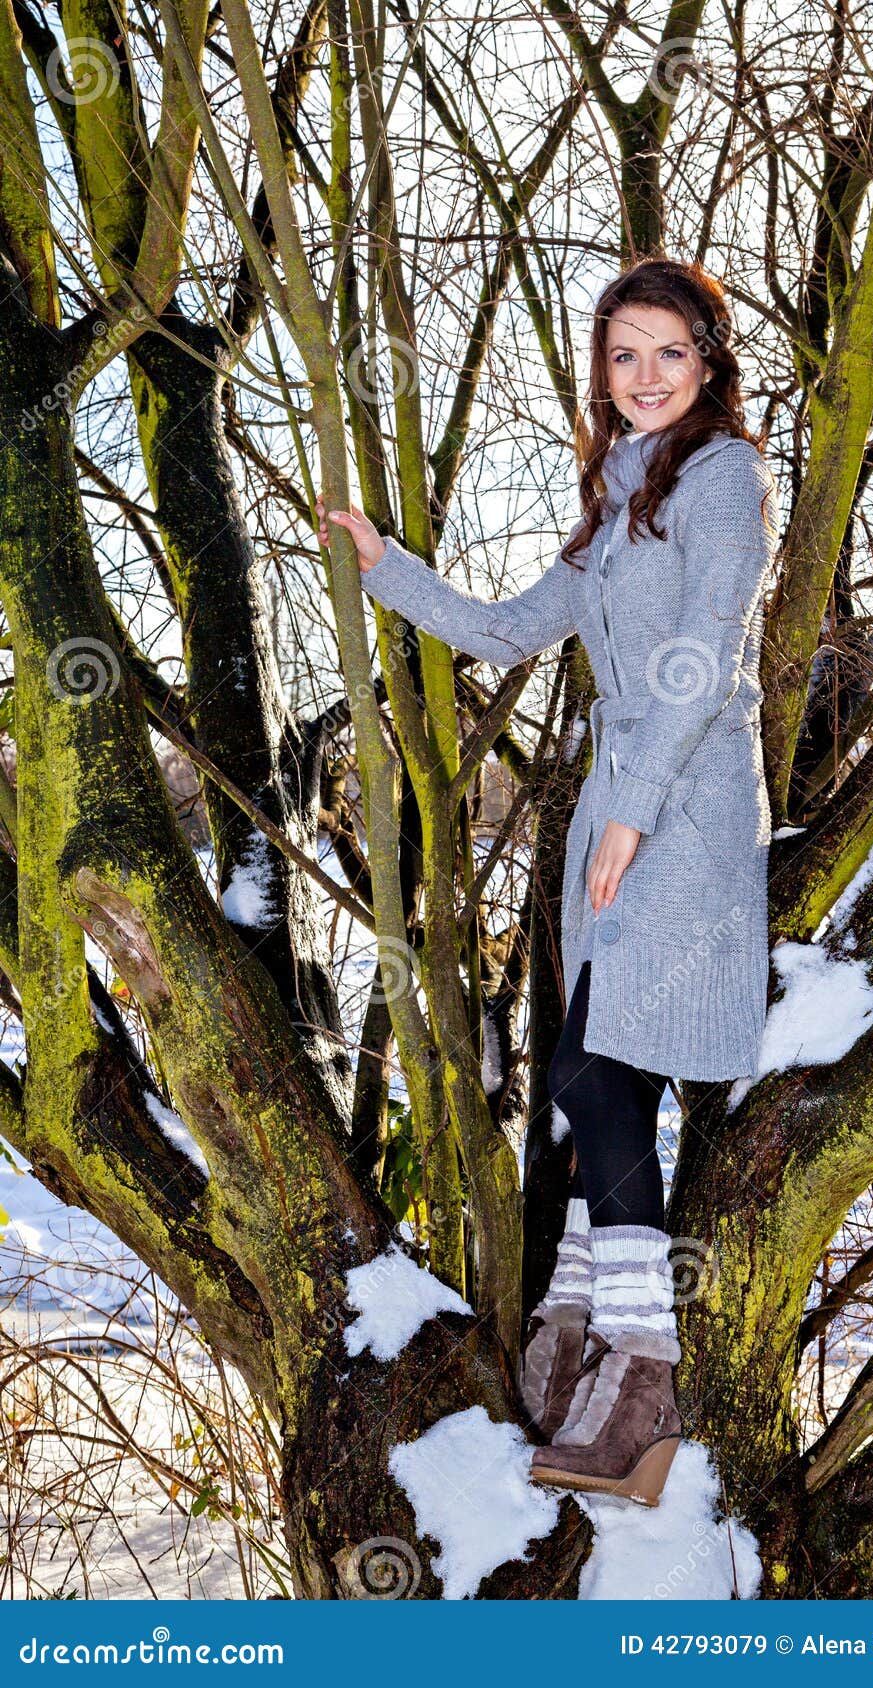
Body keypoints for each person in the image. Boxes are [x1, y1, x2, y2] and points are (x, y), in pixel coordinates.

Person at [316, 255, 780, 1509]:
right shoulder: (612, 495)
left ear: (707, 363)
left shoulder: (725, 478)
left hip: (683, 806)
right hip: (621, 810)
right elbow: (508, 628)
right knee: (594, 1063)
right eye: (621, 356)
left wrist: (625, 818)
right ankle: (585, 1340)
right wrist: (381, 566)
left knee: (589, 1066)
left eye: (667, 353)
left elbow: (705, 649)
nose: (643, 378)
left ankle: (640, 1373)